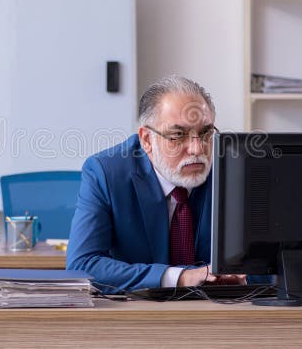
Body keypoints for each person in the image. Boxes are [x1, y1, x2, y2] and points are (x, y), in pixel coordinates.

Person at [66, 75, 246, 292]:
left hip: (223, 314)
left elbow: (270, 263)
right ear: (146, 139)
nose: (198, 149)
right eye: (178, 135)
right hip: (135, 317)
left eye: (205, 132)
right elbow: (83, 265)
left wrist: (244, 277)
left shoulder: (235, 171)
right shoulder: (106, 173)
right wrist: (180, 278)